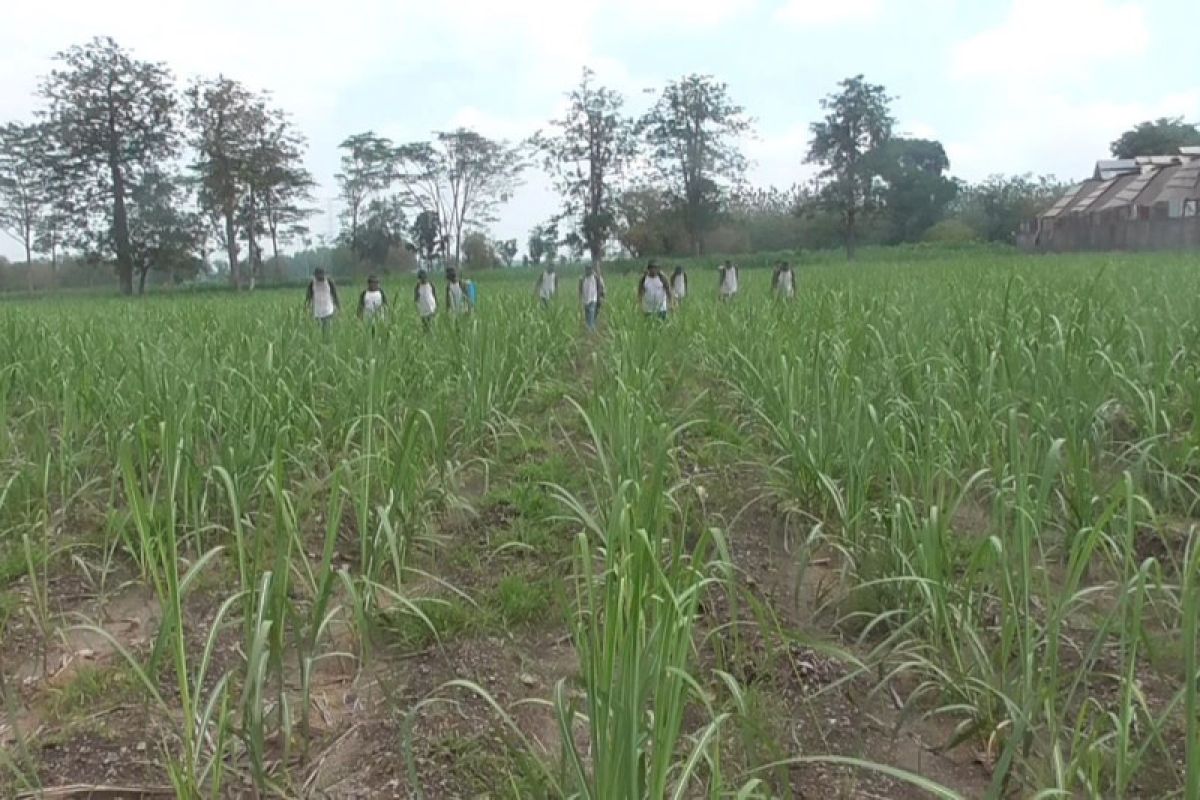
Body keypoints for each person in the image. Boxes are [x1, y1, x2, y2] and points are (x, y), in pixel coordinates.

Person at [305, 268, 340, 333]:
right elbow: (308, 297)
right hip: (317, 312)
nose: (320, 278)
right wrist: (306, 308)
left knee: (327, 330)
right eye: (318, 277)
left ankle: (327, 341)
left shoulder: (329, 282)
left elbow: (335, 295)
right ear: (315, 276)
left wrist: (338, 307)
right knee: (319, 331)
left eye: (321, 276)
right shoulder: (312, 284)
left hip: (328, 311)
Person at [579, 263, 606, 331]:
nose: (588, 271)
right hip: (585, 300)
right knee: (588, 317)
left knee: (591, 316)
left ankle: (590, 332)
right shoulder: (582, 278)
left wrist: (600, 297)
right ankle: (592, 329)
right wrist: (580, 298)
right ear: (585, 270)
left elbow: (600, 288)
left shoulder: (596, 278)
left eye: (589, 269)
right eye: (587, 269)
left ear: (592, 270)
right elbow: (580, 289)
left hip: (593, 299)